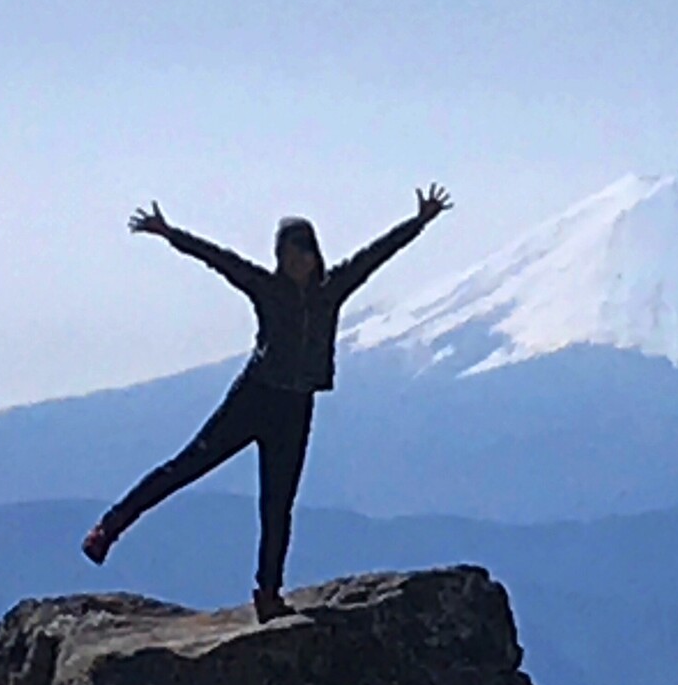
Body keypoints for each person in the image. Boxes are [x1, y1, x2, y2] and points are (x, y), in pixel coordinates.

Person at [81, 183, 455, 621]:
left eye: (301, 254)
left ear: (316, 255)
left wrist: (419, 222)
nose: (294, 263)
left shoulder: (332, 290)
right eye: (287, 256)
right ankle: (109, 528)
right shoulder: (267, 288)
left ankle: (268, 592)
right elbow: (220, 260)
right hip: (253, 398)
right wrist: (171, 234)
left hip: (296, 409)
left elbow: (377, 254)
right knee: (185, 466)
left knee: (278, 504)